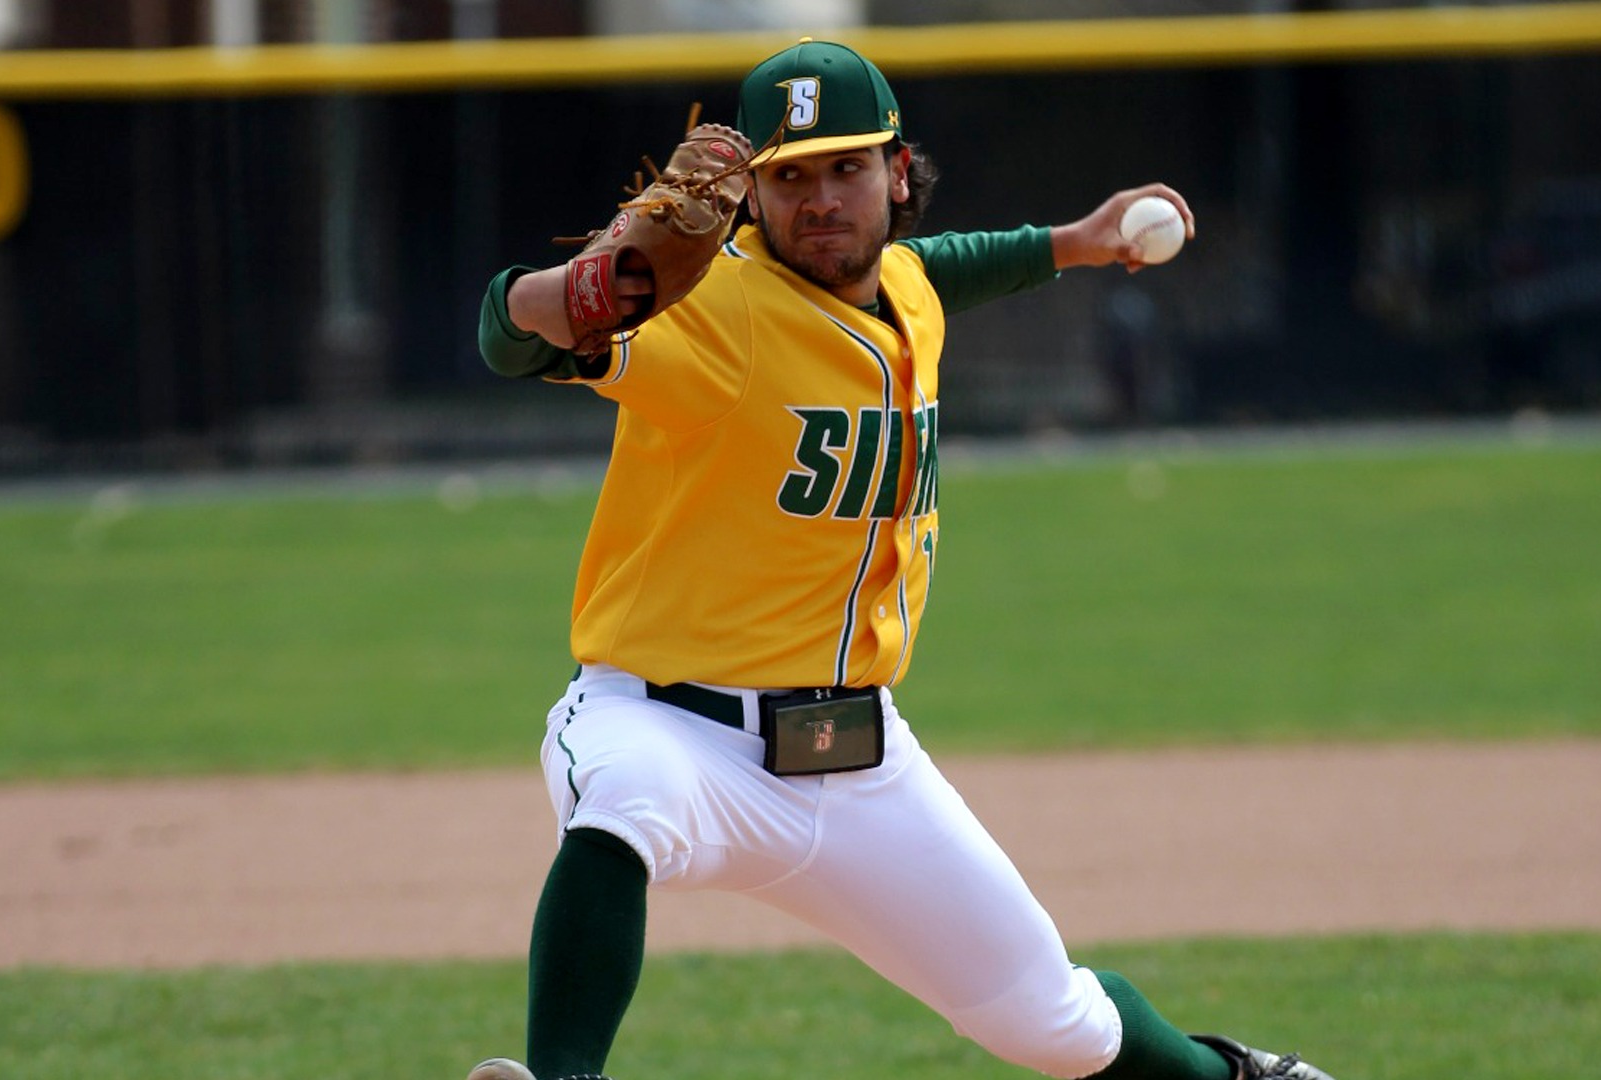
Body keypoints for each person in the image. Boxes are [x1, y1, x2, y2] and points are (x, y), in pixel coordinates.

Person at [469, 39, 1338, 1080]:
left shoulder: (905, 290)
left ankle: (1239, 1077)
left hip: (856, 759)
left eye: (846, 167)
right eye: (789, 177)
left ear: (897, 170)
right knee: (623, 806)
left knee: (1051, 1022)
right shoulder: (710, 308)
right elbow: (508, 336)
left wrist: (1078, 240)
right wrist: (571, 288)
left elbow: (947, 271)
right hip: (667, 720)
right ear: (747, 197)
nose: (821, 199)